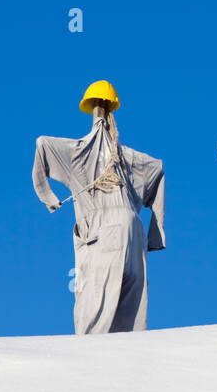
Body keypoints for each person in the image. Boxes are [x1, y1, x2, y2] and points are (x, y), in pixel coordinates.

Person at [32, 80, 165, 335]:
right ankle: (134, 367)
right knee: (132, 318)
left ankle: (89, 367)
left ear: (91, 108)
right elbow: (157, 168)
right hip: (134, 235)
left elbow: (42, 144)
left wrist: (49, 198)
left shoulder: (79, 152)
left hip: (104, 233)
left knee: (94, 309)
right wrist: (154, 235)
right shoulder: (129, 157)